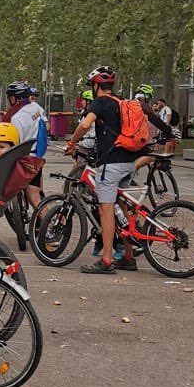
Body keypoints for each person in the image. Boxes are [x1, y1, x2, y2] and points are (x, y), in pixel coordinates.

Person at [65, 65, 142, 274]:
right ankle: (128, 256)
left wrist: (72, 143)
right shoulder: (121, 102)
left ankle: (107, 260)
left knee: (105, 209)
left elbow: (84, 125)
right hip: (128, 161)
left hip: (111, 163)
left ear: (96, 85)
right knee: (122, 207)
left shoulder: (100, 102)